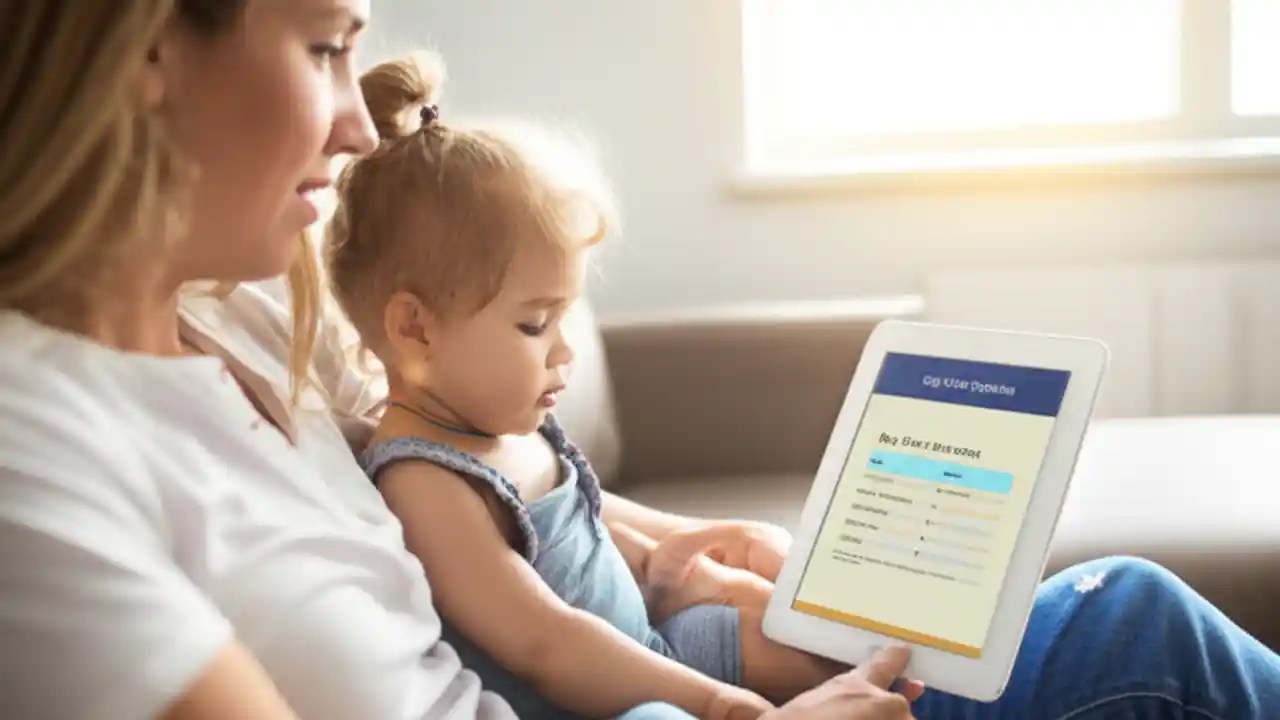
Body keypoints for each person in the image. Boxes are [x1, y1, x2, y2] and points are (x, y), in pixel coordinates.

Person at [0, 2, 1277, 719]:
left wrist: (661, 549)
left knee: (1111, 611)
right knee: (1133, 644)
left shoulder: (250, 317)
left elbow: (512, 472)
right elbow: (528, 620)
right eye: (326, 44)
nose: (351, 120)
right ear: (149, 42)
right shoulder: (34, 451)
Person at [324, 51, 847, 719]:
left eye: (564, 315)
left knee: (825, 649)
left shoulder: (502, 424)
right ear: (416, 330)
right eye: (536, 323)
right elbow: (548, 641)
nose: (564, 349)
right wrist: (719, 704)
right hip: (609, 703)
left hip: (658, 645)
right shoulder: (424, 482)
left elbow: (586, 517)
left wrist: (706, 545)